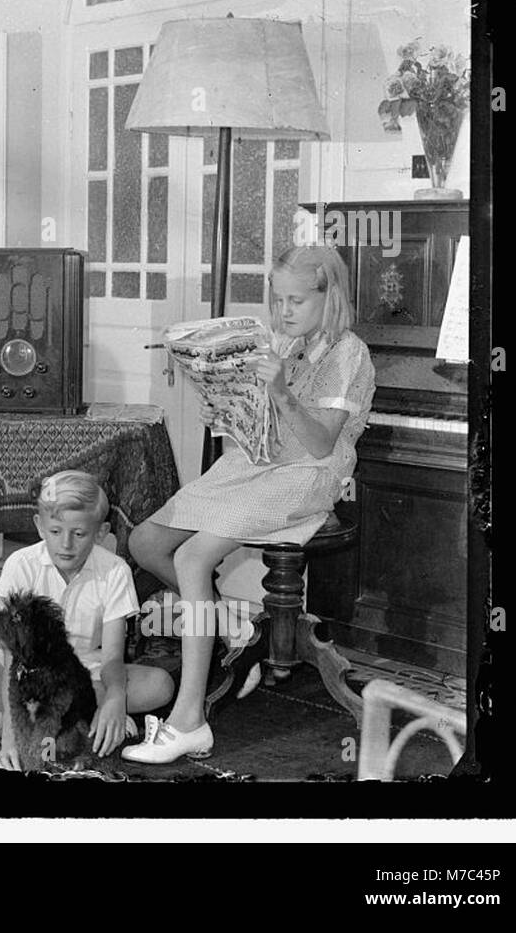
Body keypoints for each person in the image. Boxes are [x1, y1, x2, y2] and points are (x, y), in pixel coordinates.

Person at [123, 245, 376, 764]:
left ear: (330, 298)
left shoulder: (349, 353)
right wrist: (225, 399)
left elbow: (322, 443)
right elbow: (255, 421)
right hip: (257, 461)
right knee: (145, 541)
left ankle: (190, 720)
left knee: (193, 557)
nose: (283, 312)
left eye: (296, 301)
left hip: (309, 472)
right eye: (276, 299)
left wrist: (281, 393)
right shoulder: (280, 340)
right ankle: (228, 625)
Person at [0, 471, 175, 770]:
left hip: (84, 672)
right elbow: (11, 658)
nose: (66, 544)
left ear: (101, 532)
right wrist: (10, 741)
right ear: (39, 526)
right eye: (55, 531)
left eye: (79, 534)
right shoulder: (21, 565)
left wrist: (115, 700)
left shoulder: (115, 571)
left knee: (160, 685)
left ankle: (19, 709)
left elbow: (112, 658)